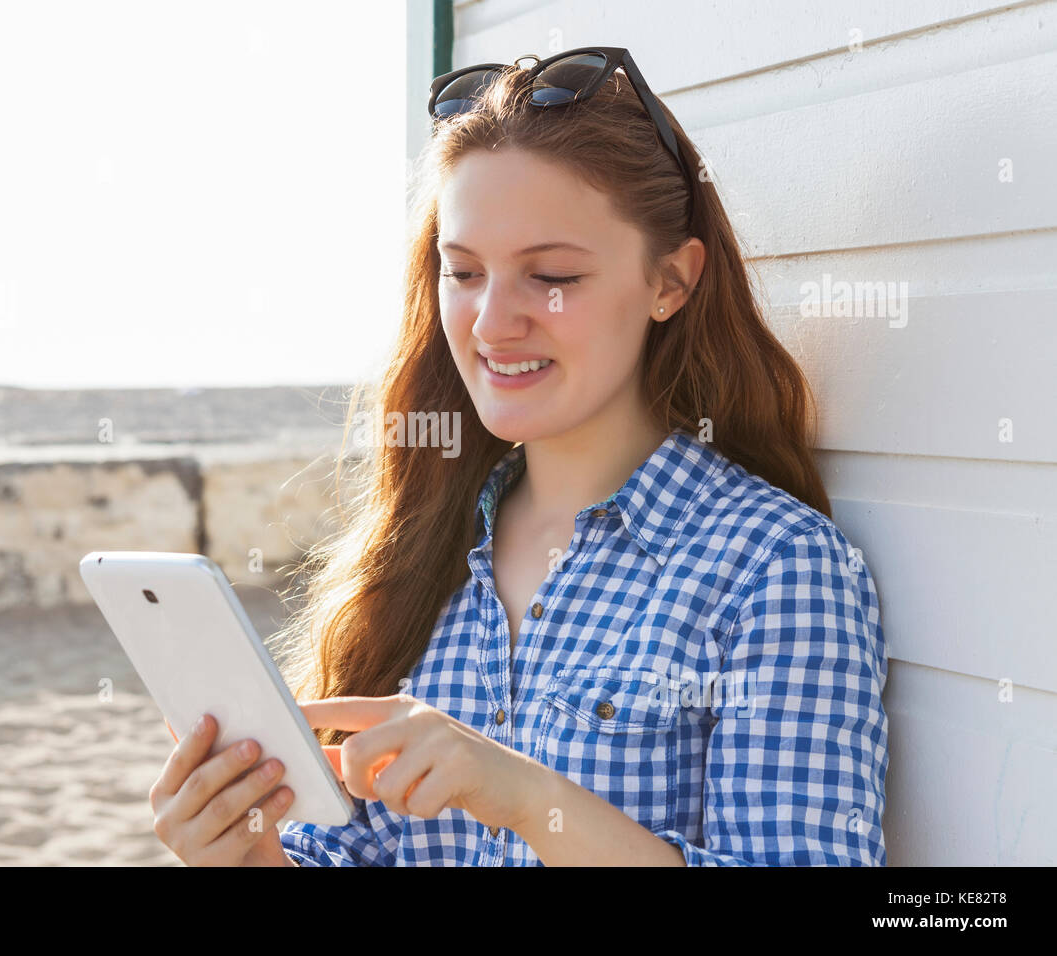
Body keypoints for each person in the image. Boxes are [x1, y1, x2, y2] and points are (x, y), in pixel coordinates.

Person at [149, 48, 888, 866]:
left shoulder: (773, 567)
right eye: (463, 272)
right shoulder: (416, 555)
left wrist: (531, 799)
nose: (493, 322)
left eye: (552, 276)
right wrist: (250, 855)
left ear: (670, 282)